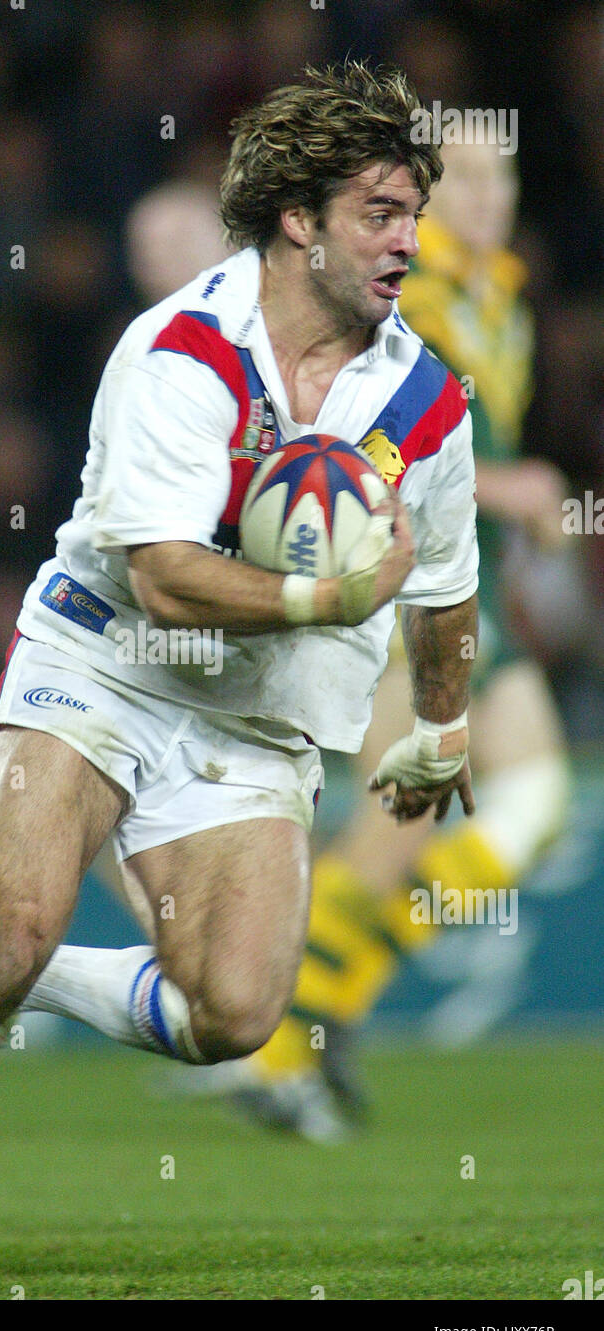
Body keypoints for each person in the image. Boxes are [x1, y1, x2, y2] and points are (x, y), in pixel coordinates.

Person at [0, 61, 478, 1294]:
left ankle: (5, 959)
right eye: (379, 212)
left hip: (252, 722)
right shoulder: (181, 349)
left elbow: (447, 586)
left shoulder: (422, 399)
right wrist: (324, 595)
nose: (408, 242)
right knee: (18, 919)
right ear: (298, 219)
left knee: (233, 1019)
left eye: (413, 213)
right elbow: (161, 578)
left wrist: (447, 727)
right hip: (102, 659)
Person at [231, 135, 571, 1142]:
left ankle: (325, 1006)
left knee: (527, 797)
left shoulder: (492, 297)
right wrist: (508, 488)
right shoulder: (391, 307)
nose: (483, 197)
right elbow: (340, 444)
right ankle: (273, 1039)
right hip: (392, 595)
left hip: (466, 596)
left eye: (498, 176)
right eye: (456, 181)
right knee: (398, 820)